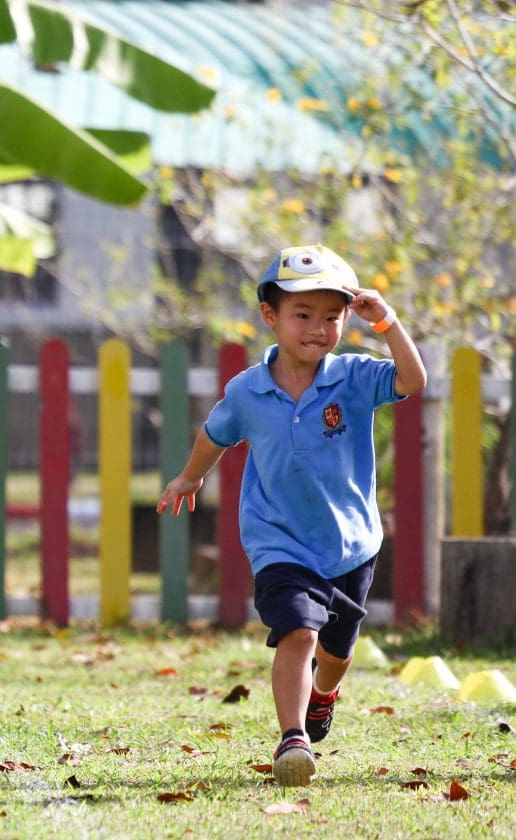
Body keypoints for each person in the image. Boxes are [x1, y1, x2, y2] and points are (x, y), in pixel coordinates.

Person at [157, 245, 428, 787]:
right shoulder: (247, 391)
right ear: (270, 316)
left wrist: (389, 322)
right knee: (297, 632)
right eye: (302, 315)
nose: (317, 328)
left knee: (335, 651)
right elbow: (215, 434)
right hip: (278, 539)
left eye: (331, 317)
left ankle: (323, 695)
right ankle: (293, 740)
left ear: (347, 320)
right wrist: (191, 475)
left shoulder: (352, 378)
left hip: (350, 541)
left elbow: (413, 380)